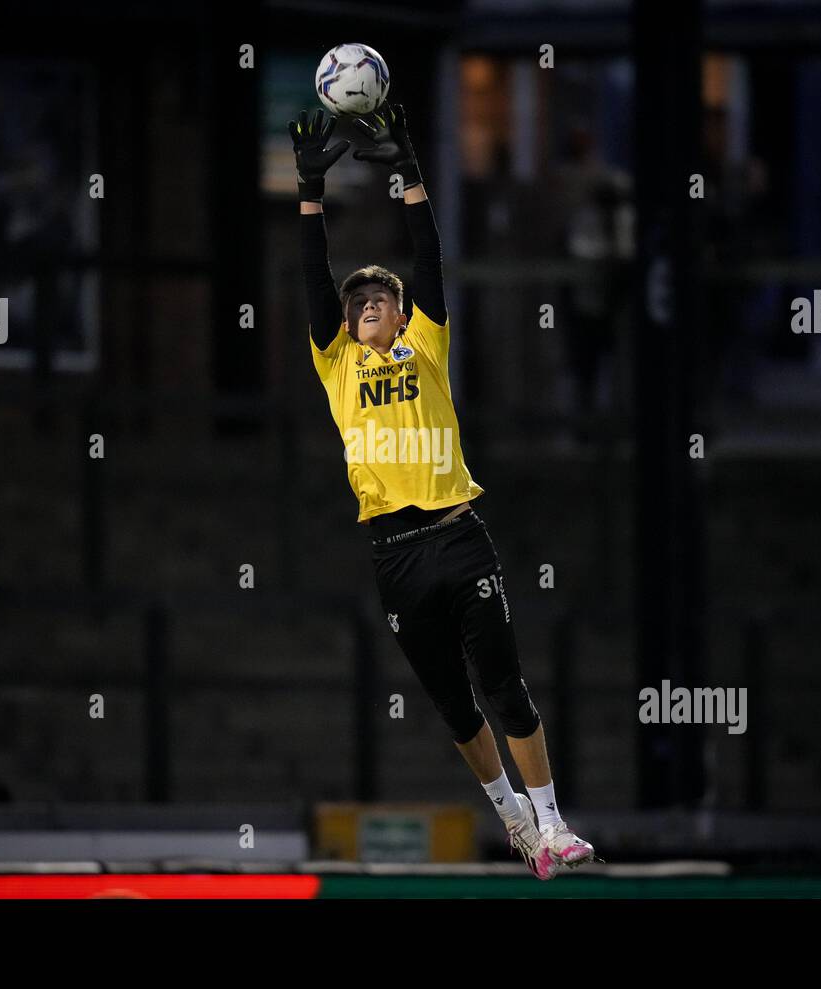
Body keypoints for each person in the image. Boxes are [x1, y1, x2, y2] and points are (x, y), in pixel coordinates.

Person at [290, 104, 595, 879]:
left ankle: (554, 822)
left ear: (402, 312)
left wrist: (409, 173)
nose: (365, 307)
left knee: (505, 684)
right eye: (356, 302)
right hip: (392, 551)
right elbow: (310, 276)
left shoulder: (424, 340)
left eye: (378, 298)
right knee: (456, 708)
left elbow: (426, 253)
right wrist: (308, 188)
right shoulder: (337, 365)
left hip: (458, 535)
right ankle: (516, 823)